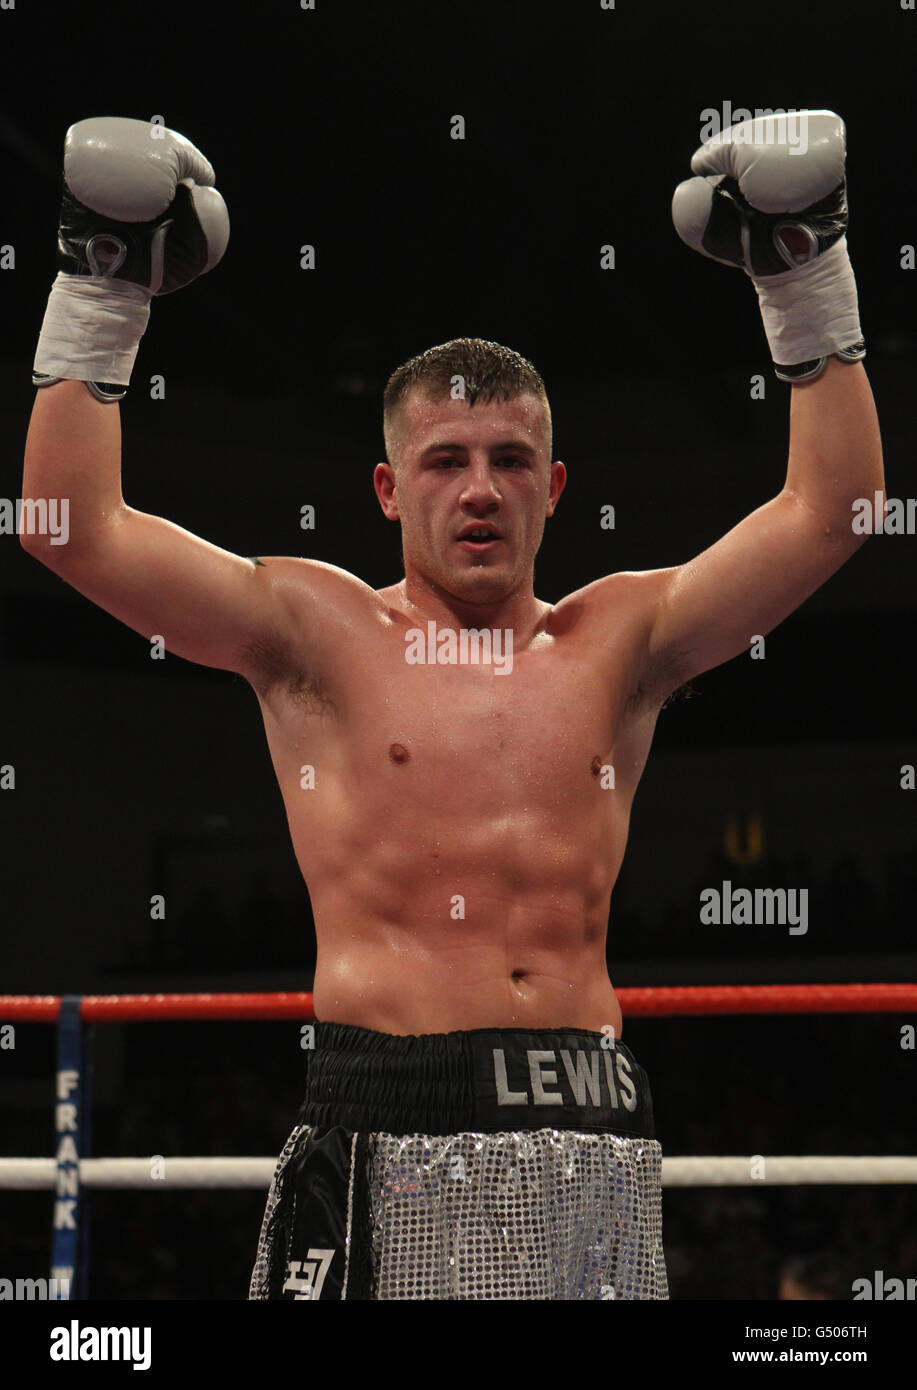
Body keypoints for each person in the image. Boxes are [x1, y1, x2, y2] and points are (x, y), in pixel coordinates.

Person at [21, 112, 884, 1300]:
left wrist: (801, 266)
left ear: (554, 487)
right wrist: (101, 278)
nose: (479, 489)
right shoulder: (309, 632)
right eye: (443, 460)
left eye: (509, 458)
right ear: (386, 486)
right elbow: (74, 530)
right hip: (384, 1125)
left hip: (591, 1129)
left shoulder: (621, 637)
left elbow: (833, 510)